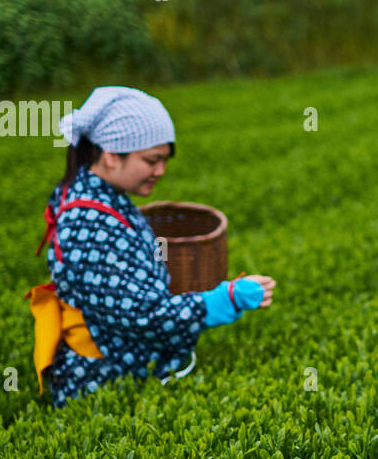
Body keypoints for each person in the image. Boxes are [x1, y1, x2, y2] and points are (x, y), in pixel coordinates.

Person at [26, 86, 276, 407]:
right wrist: (223, 300)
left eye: (164, 160)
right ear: (112, 155)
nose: (161, 171)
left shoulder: (91, 194)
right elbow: (143, 316)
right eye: (152, 160)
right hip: (102, 381)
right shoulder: (89, 224)